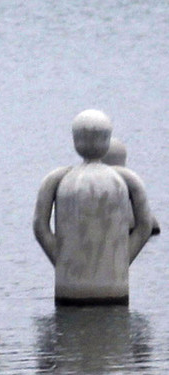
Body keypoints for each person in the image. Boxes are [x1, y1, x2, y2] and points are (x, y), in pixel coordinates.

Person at [34, 109, 152, 305]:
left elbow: (40, 227)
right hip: (114, 290)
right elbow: (145, 226)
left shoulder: (61, 178)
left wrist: (61, 261)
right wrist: (122, 261)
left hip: (70, 290)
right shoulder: (122, 179)